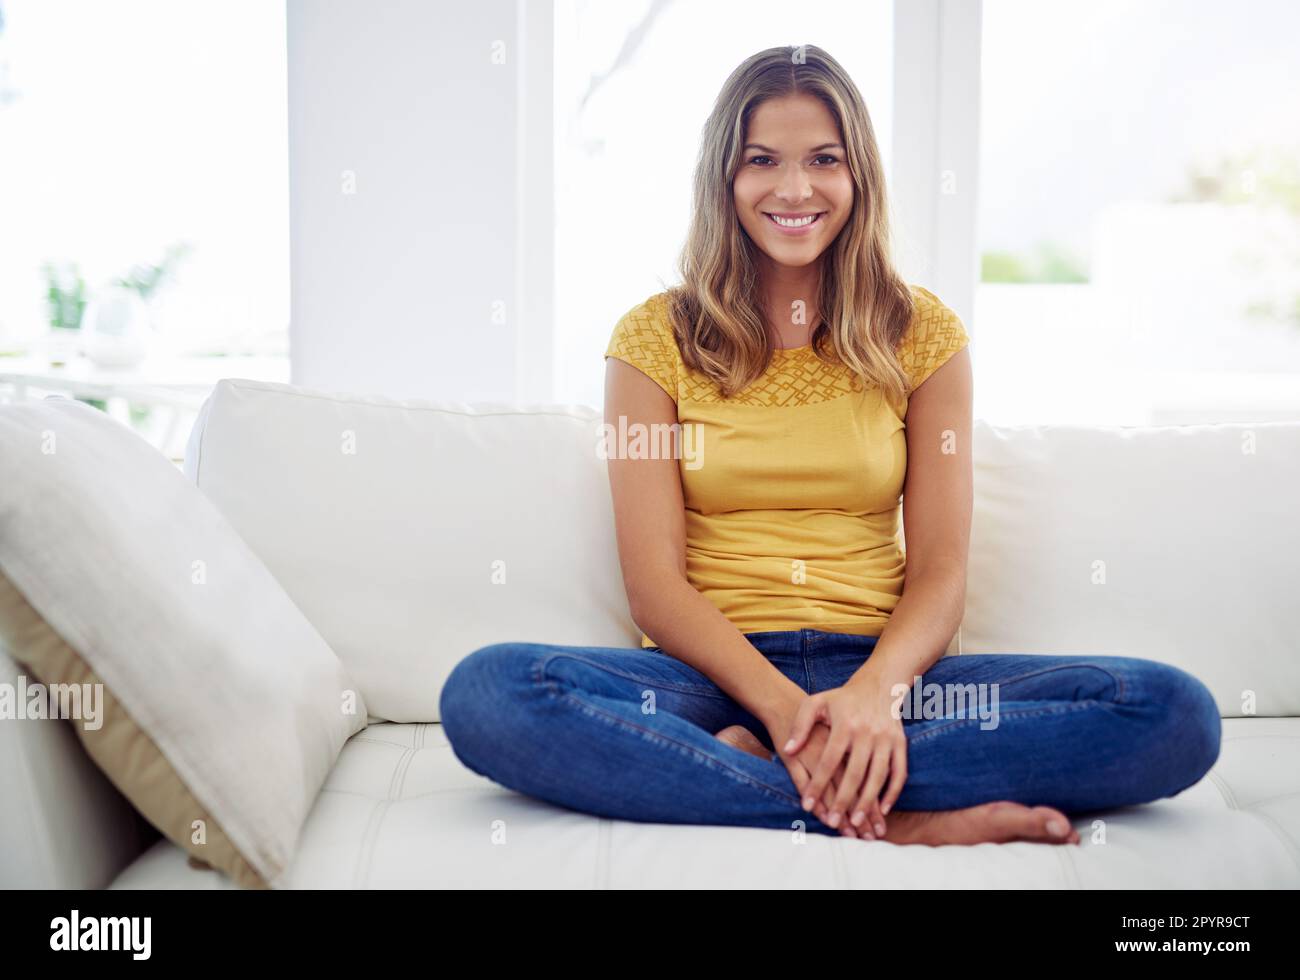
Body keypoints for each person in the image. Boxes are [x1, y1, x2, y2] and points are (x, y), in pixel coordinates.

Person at [439, 45, 1221, 845]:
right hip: (709, 682)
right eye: (761, 161)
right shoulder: (653, 339)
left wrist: (873, 698)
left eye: (823, 160)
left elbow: (942, 572)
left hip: (886, 680)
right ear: (725, 179)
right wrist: (785, 713)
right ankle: (901, 816)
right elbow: (654, 588)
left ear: (859, 177)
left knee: (1171, 713)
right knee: (492, 693)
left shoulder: (925, 337)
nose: (793, 188)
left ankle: (757, 776)